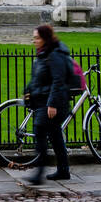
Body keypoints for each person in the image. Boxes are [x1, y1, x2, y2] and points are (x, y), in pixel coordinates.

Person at [23, 23, 72, 186]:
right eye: (34, 38)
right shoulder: (43, 54)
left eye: (37, 38)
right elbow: (38, 78)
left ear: (45, 39)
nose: (34, 41)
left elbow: (58, 81)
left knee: (40, 133)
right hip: (43, 101)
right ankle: (64, 170)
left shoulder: (54, 55)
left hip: (52, 103)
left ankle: (38, 174)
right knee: (56, 136)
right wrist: (28, 89)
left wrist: (52, 104)